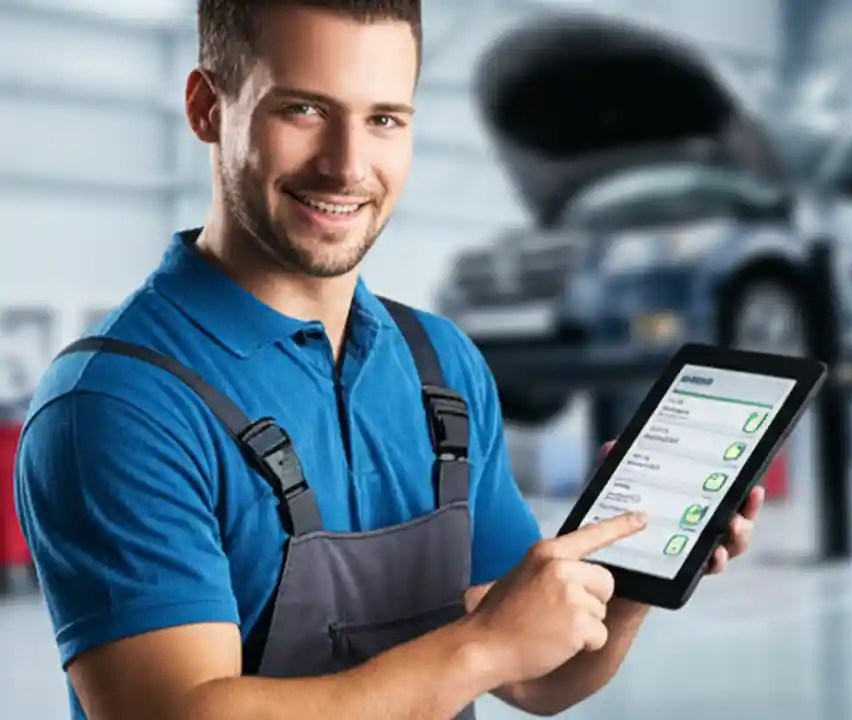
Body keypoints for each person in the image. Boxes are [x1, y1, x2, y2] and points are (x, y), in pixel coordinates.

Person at [13, 2, 766, 719]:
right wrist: (478, 647)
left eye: (382, 120)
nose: (347, 165)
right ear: (208, 107)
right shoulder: (116, 405)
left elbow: (536, 677)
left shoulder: (442, 366)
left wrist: (632, 576)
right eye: (303, 109)